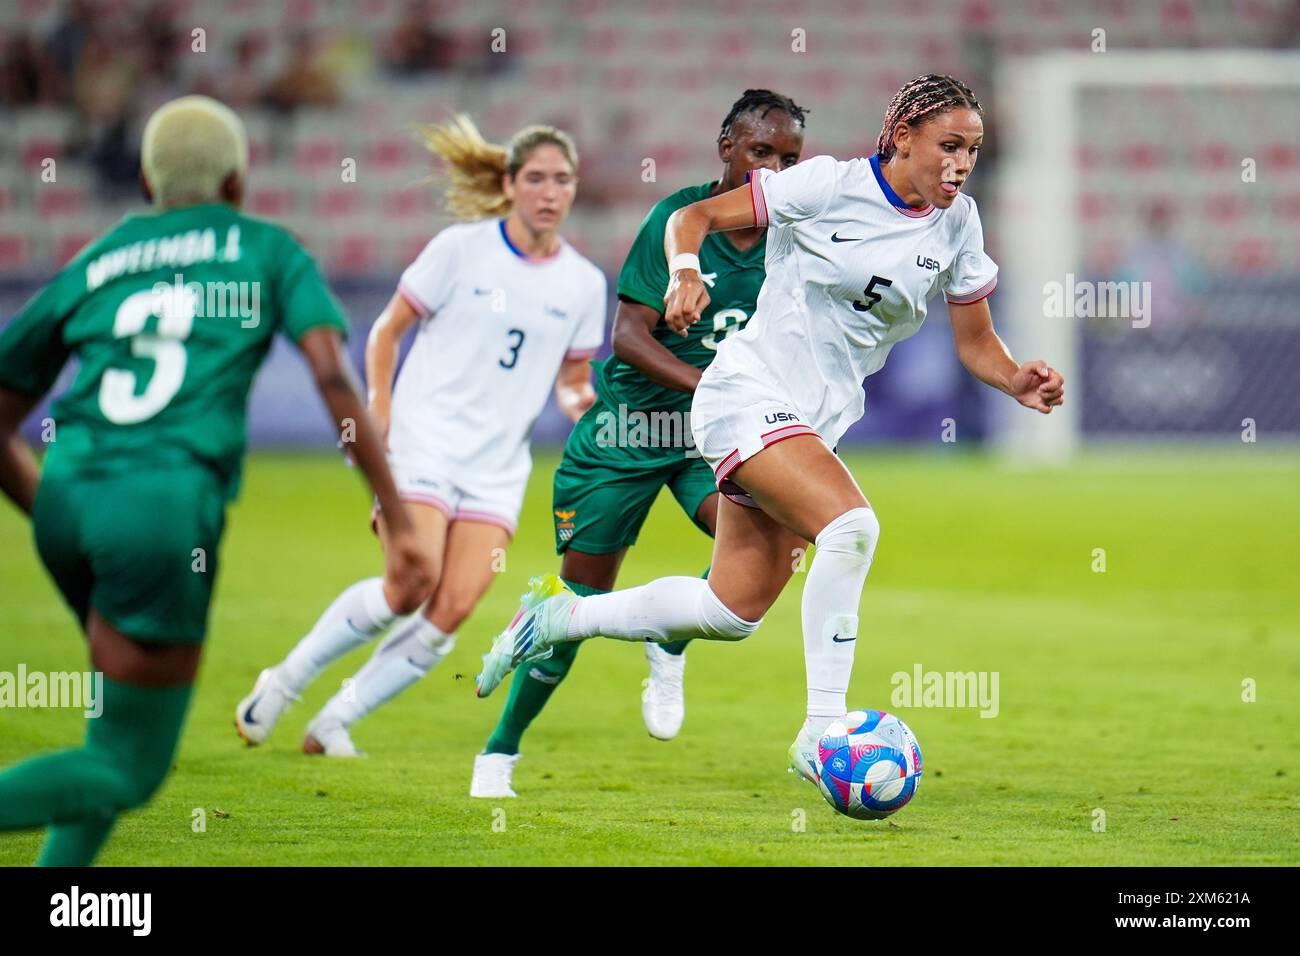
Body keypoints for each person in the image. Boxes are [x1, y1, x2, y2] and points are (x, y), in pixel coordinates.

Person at [474, 74, 1065, 787]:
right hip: (745, 393)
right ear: (903, 137)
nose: (961, 164)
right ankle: (820, 735)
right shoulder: (822, 185)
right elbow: (689, 221)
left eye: (972, 149)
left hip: (814, 420)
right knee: (852, 528)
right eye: (949, 146)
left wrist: (1015, 378)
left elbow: (976, 343)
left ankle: (561, 620)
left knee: (730, 612)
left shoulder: (958, 224)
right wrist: (684, 275)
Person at [0, 95, 433, 866]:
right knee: (129, 767)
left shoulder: (99, 257)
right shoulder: (266, 249)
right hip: (161, 511)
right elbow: (333, 375)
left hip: (69, 490)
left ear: (145, 181)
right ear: (238, 182)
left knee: (113, 732)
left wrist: (56, 513)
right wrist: (396, 518)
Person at [469, 90, 809, 799]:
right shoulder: (675, 222)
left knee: (768, 558)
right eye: (760, 152)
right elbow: (627, 336)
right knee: (580, 596)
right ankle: (499, 753)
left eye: (787, 158)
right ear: (726, 147)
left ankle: (670, 636)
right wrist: (711, 385)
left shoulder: (790, 236)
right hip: (626, 433)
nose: (772, 170)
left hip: (706, 440)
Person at [236, 114, 607, 757]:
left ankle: (334, 721)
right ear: (511, 183)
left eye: (564, 180)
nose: (552, 192)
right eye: (538, 178)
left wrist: (593, 415)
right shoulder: (461, 249)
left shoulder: (584, 282)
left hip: (497, 465)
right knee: (411, 579)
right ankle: (283, 682)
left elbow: (573, 381)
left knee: (450, 612)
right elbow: (386, 329)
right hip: (425, 439)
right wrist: (379, 404)